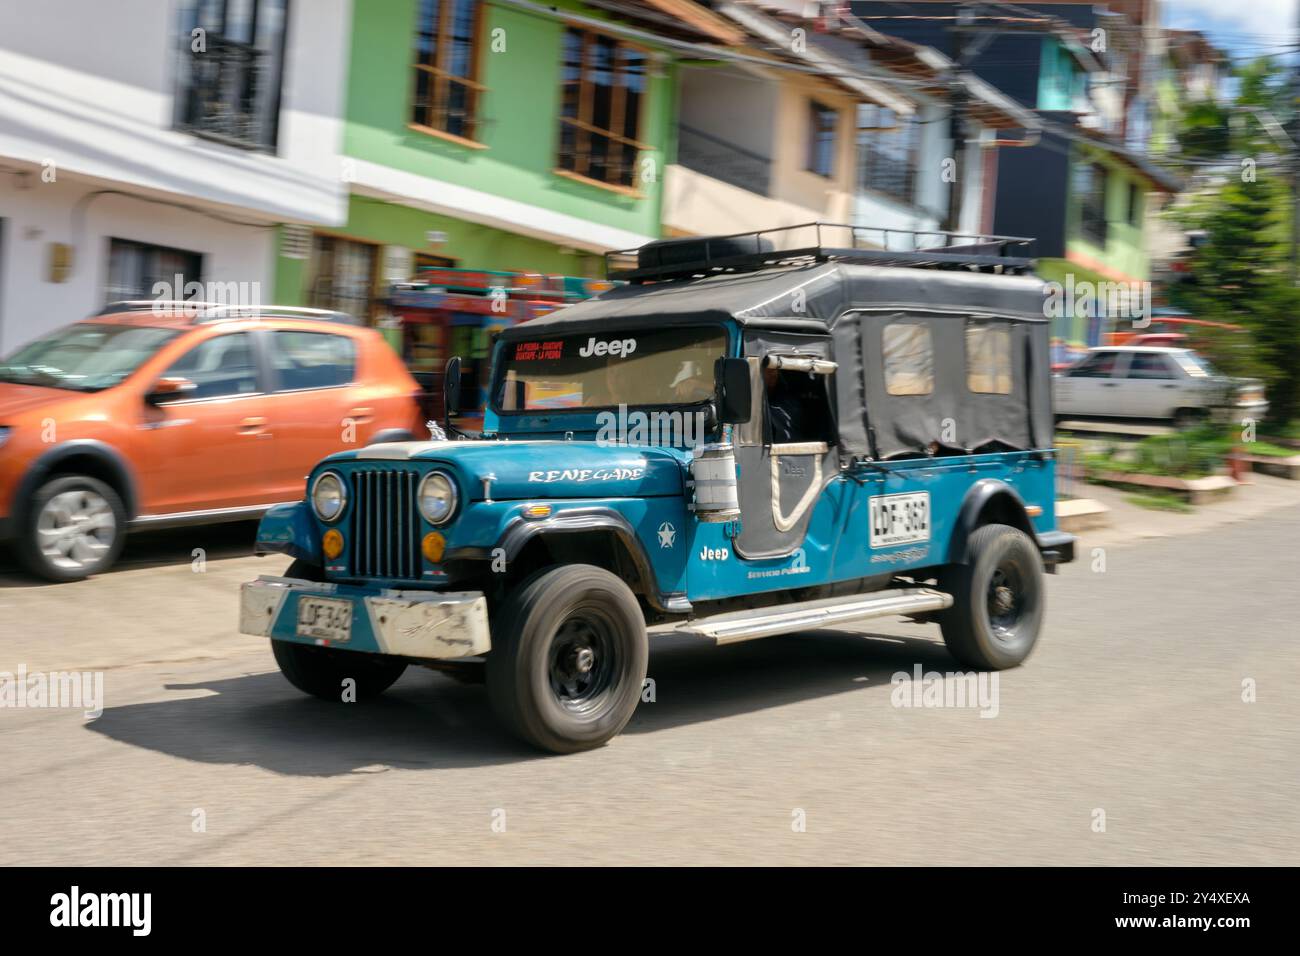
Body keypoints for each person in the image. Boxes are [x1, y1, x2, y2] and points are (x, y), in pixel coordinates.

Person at [763, 362, 805, 444]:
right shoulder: (752, 400)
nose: (774, 373)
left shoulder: (788, 405)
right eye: (769, 370)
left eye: (775, 370)